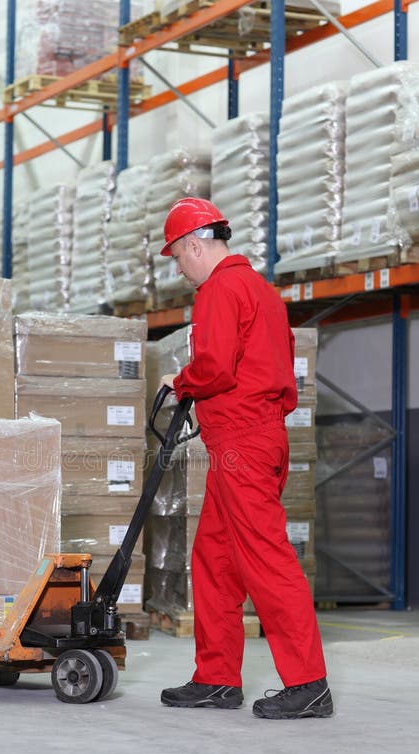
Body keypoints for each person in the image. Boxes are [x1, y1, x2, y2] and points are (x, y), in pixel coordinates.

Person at [158, 197, 333, 719]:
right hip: (257, 440)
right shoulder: (263, 292)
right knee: (213, 560)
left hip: (243, 445)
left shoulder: (218, 289)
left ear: (194, 245)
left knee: (267, 560)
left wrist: (179, 381)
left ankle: (308, 683)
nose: (179, 267)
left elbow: (214, 368)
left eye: (177, 256)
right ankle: (216, 678)